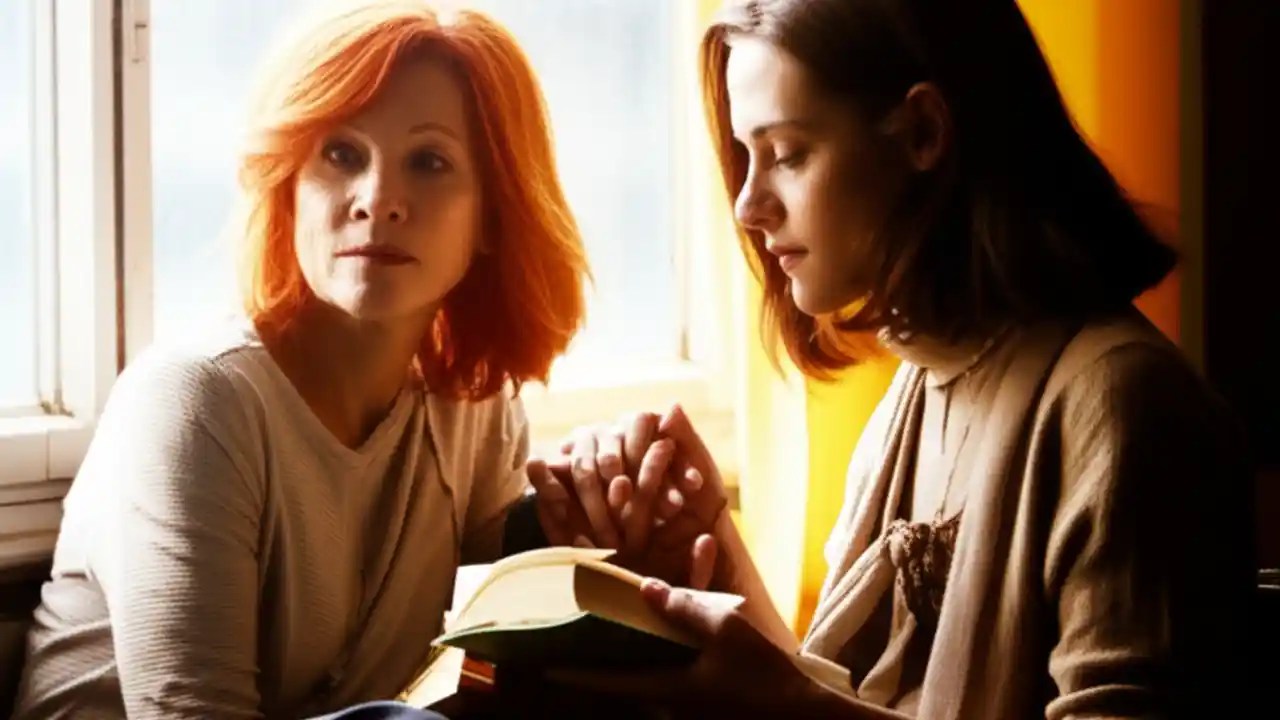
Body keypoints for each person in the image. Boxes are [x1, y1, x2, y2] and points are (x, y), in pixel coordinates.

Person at [544, 0, 1256, 717]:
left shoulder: (1130, 409)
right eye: (745, 156)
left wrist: (785, 702)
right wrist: (708, 544)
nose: (748, 206)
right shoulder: (920, 385)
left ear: (923, 132)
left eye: (787, 153)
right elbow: (843, 696)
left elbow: (809, 706)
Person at [11, 2, 698, 718]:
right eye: (341, 154)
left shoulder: (477, 410)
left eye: (428, 162)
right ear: (289, 185)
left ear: (492, 216)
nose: (378, 200)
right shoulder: (196, 401)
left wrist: (620, 545)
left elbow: (489, 678)